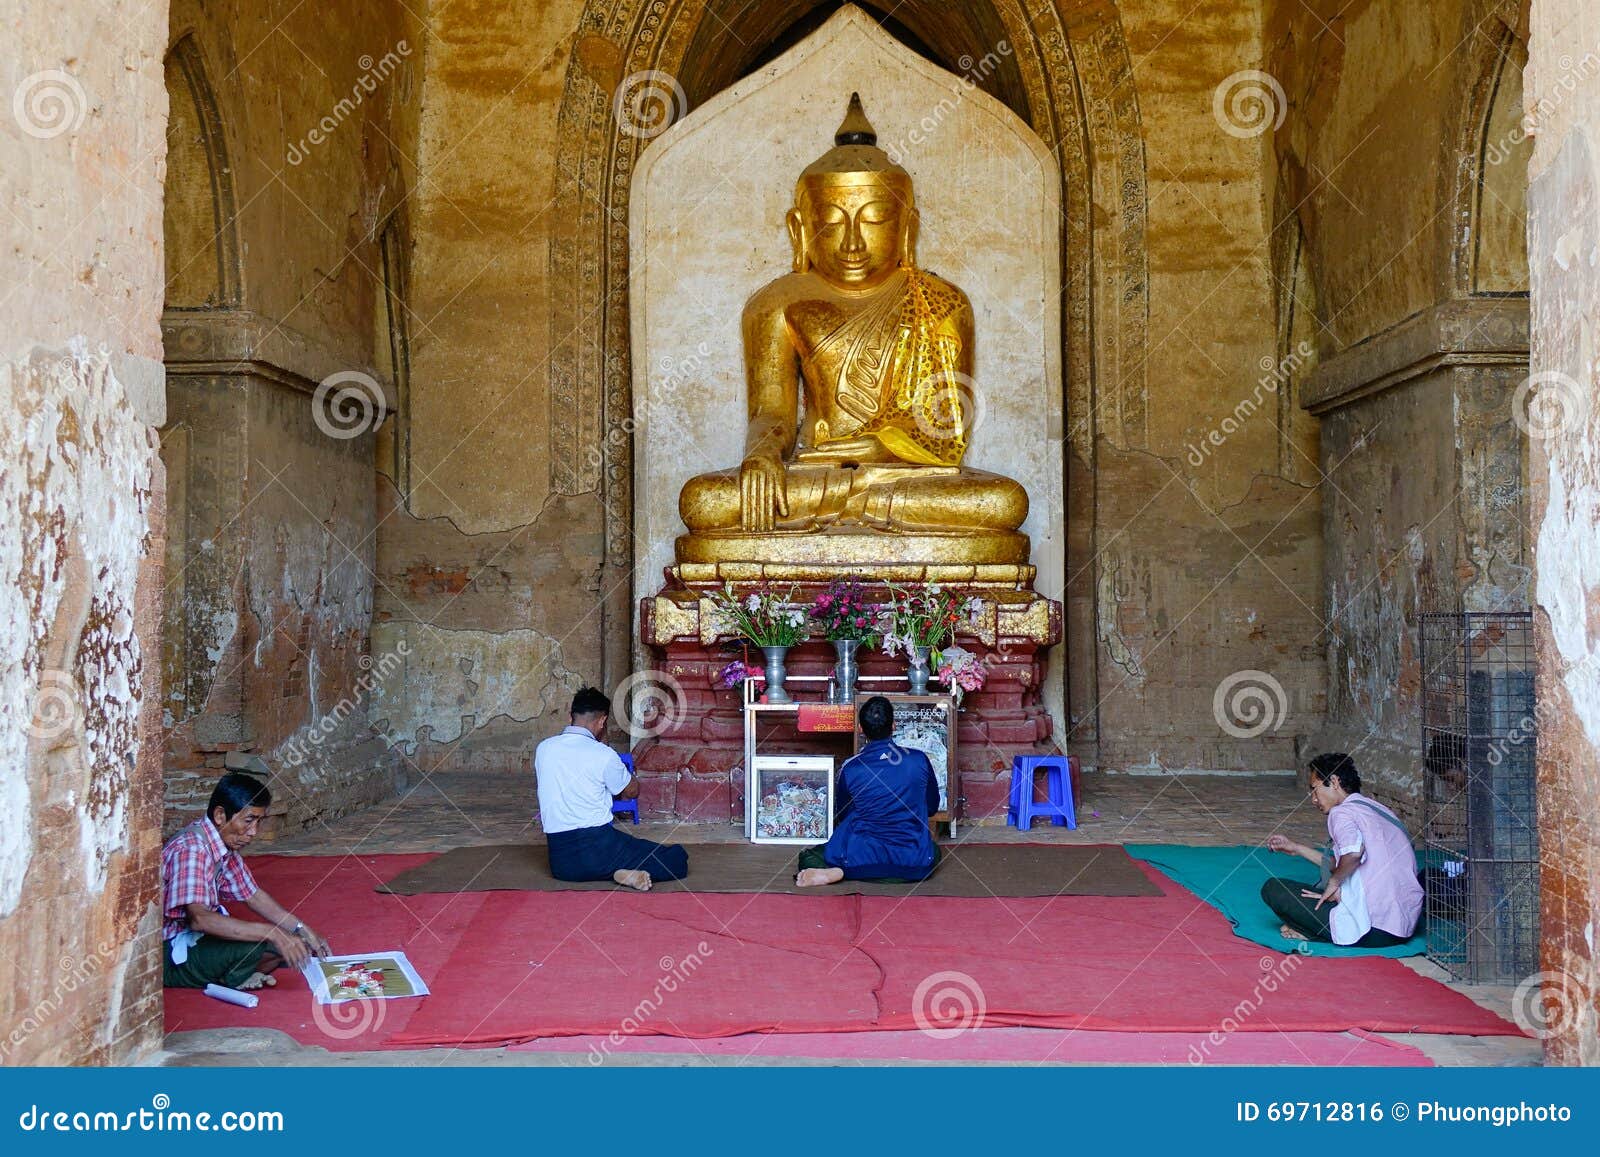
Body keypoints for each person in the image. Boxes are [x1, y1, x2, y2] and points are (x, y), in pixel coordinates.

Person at [162, 772, 330, 990]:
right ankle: (231, 977)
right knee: (268, 944)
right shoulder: (193, 849)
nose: (253, 832)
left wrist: (302, 929)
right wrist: (271, 933)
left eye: (259, 822)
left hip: (195, 940)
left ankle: (238, 970)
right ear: (221, 815)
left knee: (292, 944)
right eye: (249, 820)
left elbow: (254, 896)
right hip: (168, 953)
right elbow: (200, 919)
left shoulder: (223, 844)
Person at [535, 687, 689, 892]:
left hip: (562, 864)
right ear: (602, 721)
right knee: (676, 858)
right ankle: (618, 870)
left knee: (625, 849)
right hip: (600, 846)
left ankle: (618, 872)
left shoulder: (544, 748)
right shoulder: (603, 754)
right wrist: (606, 744)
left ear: (570, 716)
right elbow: (632, 791)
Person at [1261, 752, 1423, 947]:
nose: (1313, 799)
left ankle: (1312, 931)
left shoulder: (1341, 812)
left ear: (1335, 781)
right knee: (1316, 891)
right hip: (1403, 927)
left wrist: (1334, 883)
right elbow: (1343, 863)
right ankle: (1314, 926)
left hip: (1371, 929)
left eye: (1315, 789)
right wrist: (1296, 848)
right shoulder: (1378, 810)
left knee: (1274, 888)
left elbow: (1353, 854)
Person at [795, 695, 941, 887]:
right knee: (934, 851)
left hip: (860, 860)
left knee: (808, 857)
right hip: (914, 864)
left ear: (861, 729)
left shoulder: (851, 768)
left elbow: (843, 815)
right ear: (894, 725)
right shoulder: (919, 759)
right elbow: (931, 807)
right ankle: (875, 870)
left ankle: (839, 872)